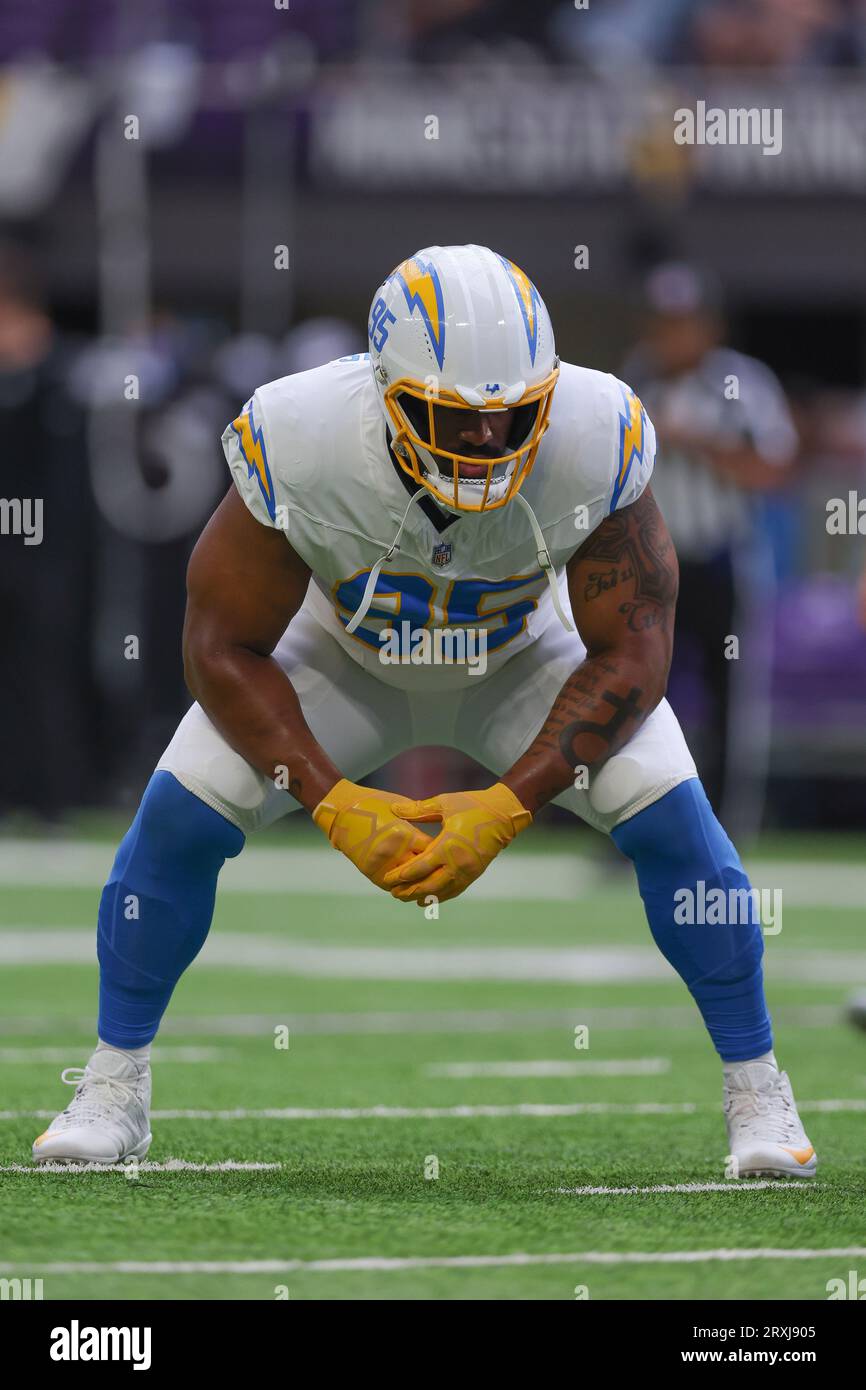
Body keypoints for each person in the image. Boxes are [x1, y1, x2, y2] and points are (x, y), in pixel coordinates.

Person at [34, 245, 816, 1180]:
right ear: (386, 394)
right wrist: (331, 800)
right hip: (344, 657)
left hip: (521, 657)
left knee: (677, 822)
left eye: (511, 415)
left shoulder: (596, 428)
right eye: (455, 417)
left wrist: (509, 804)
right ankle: (113, 1085)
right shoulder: (302, 432)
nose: (487, 441)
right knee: (178, 815)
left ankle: (758, 1087)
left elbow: (634, 654)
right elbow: (220, 648)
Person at [624, 263, 798, 834]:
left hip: (724, 559)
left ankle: (725, 826)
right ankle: (641, 821)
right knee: (644, 696)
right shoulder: (634, 381)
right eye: (663, 323)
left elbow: (773, 469)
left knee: (729, 700)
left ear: (709, 327)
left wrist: (697, 443)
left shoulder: (742, 384)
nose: (672, 337)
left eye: (684, 323)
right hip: (656, 566)